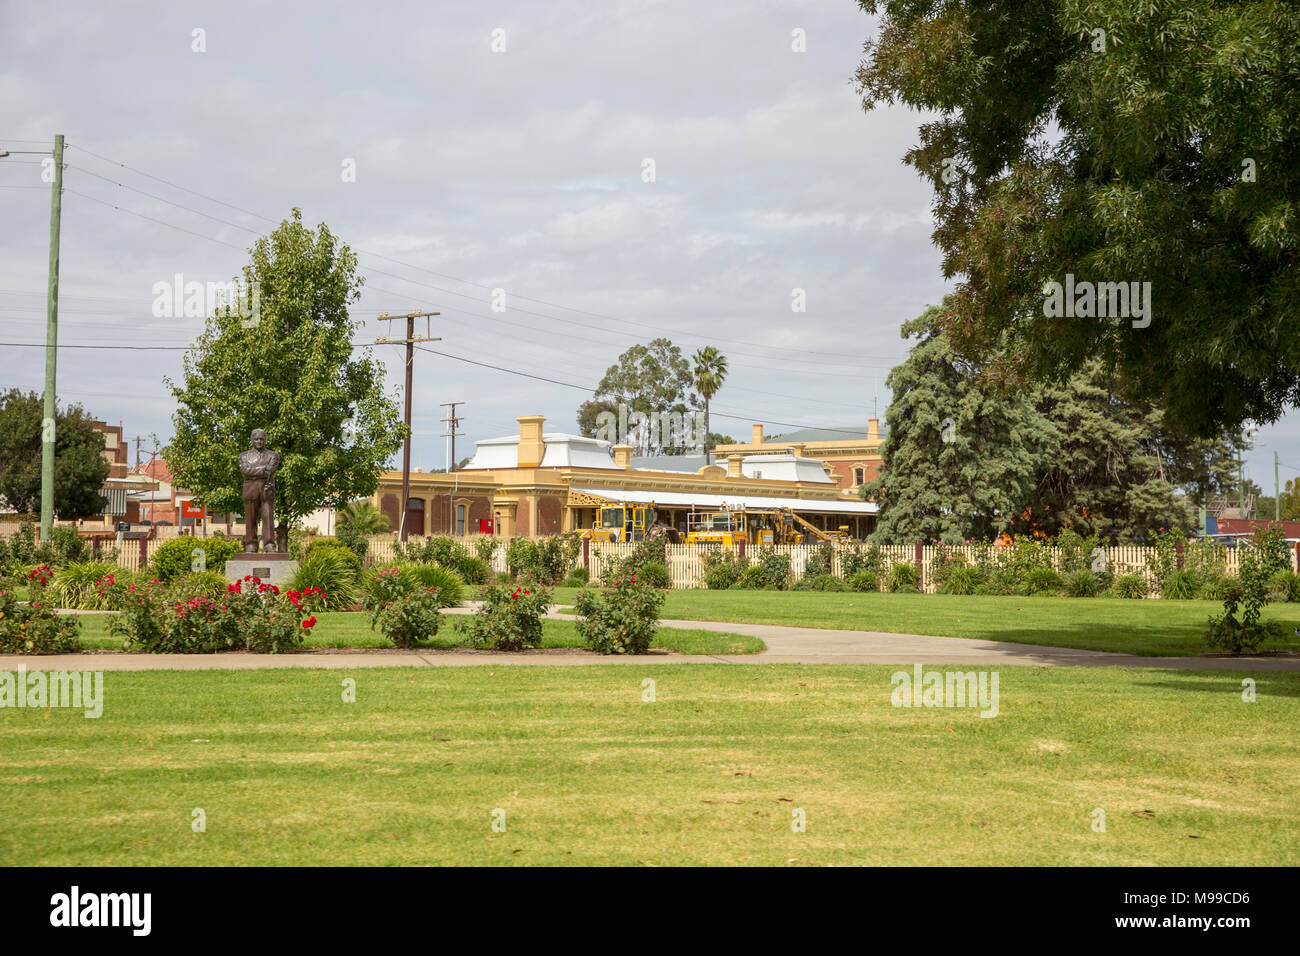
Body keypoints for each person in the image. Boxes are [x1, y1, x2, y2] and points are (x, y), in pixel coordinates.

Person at [239, 429, 281, 552]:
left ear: (265, 440)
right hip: (250, 490)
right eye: (256, 439)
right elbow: (245, 471)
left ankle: (269, 544)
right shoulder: (243, 456)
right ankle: (251, 544)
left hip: (266, 490)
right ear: (252, 440)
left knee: (268, 518)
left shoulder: (273, 455)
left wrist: (254, 471)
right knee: (250, 518)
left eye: (262, 439)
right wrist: (263, 470)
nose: (259, 441)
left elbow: (270, 470)